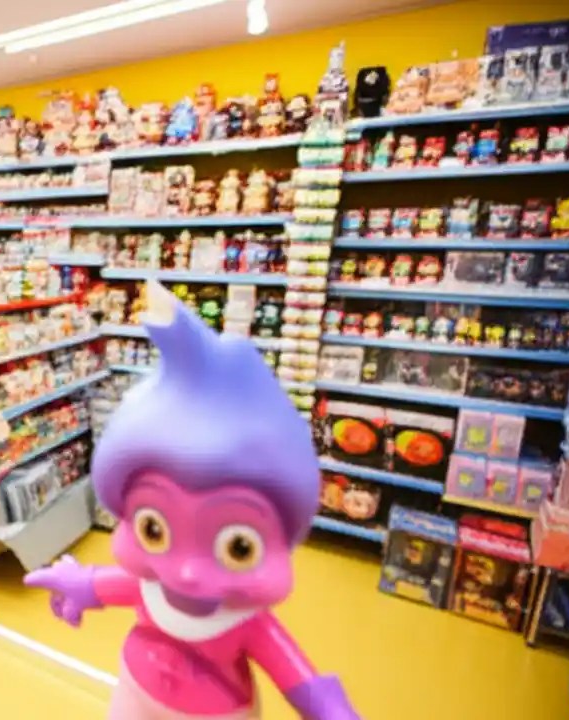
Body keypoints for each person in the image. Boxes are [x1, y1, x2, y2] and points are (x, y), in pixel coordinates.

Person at [25, 283, 358, 720]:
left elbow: (296, 675)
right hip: (134, 689)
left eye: (239, 546)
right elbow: (123, 586)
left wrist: (327, 707)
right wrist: (82, 585)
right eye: (153, 528)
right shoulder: (154, 588)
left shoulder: (245, 621)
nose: (184, 571)